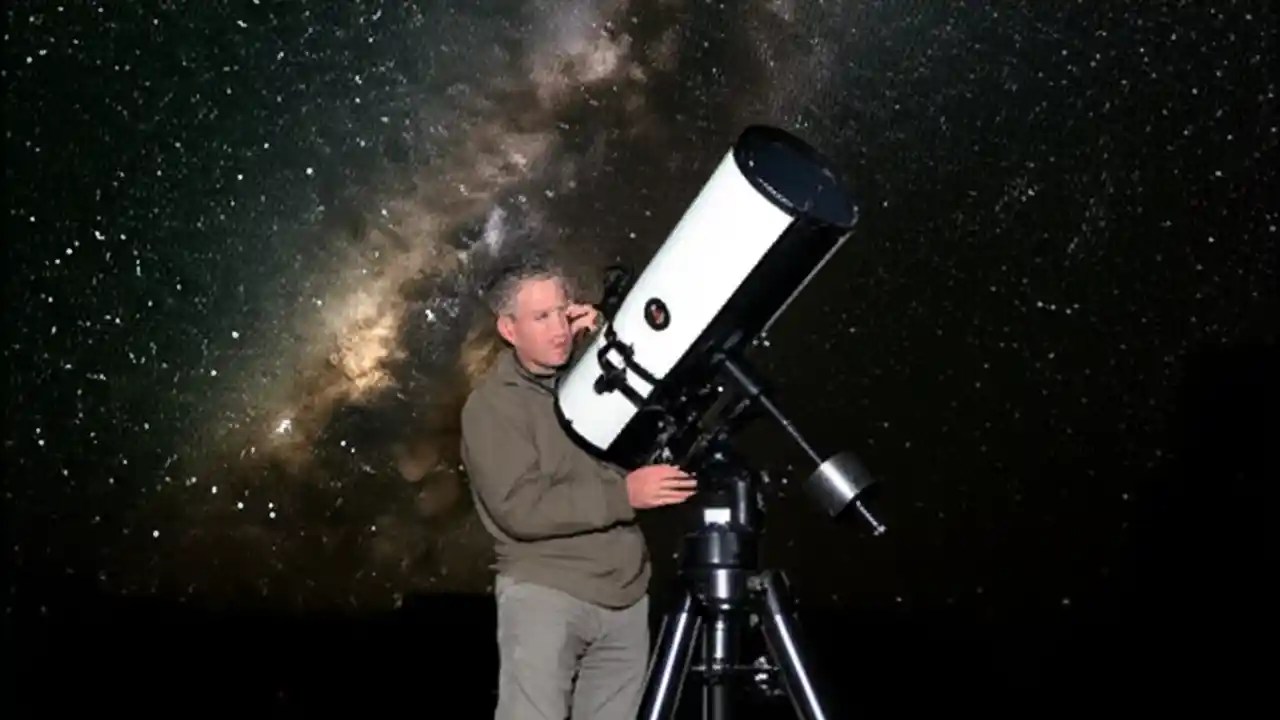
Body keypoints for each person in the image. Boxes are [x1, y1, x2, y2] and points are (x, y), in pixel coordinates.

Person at [460, 257, 698, 720]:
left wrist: (610, 339)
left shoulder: (590, 378)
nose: (559, 329)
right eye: (541, 317)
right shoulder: (492, 406)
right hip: (547, 594)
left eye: (563, 311)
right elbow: (520, 509)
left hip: (625, 597)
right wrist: (622, 496)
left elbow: (651, 421)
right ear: (508, 329)